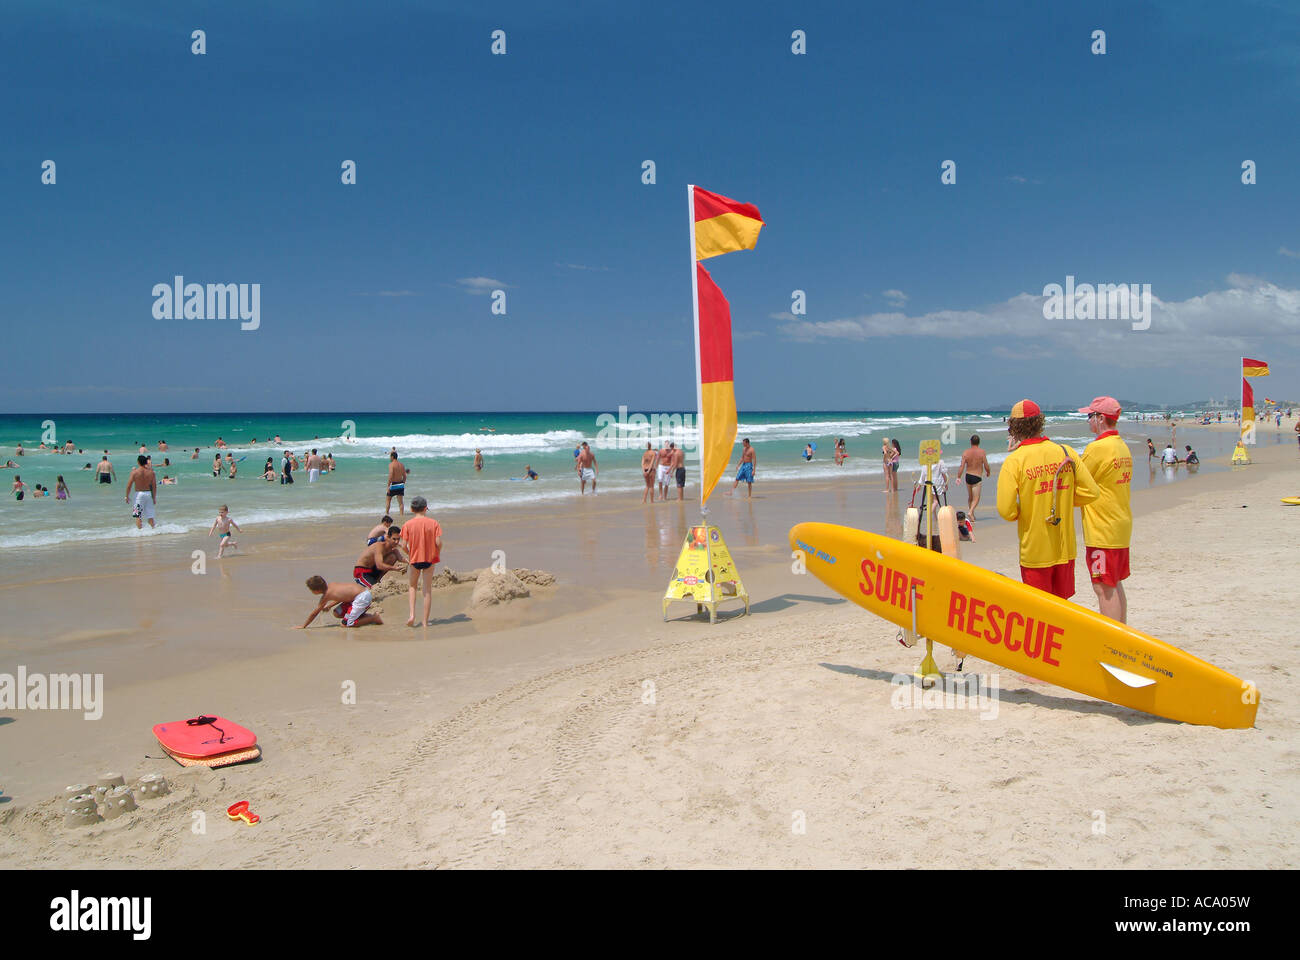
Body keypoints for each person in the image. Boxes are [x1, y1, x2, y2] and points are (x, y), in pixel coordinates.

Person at [996, 399, 1099, 600]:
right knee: (1062, 608)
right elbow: (1092, 492)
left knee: (1040, 613)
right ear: (1039, 423)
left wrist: (1029, 507)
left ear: (1013, 428)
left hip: (1035, 551)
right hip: (1065, 548)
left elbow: (1006, 511)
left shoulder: (1015, 461)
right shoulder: (1066, 452)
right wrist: (1064, 499)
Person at [1077, 397, 1133, 623]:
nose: (1088, 421)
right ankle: (1121, 634)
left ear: (1101, 419)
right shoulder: (1121, 445)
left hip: (1103, 527)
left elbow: (1078, 480)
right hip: (1119, 524)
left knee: (1103, 587)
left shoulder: (1097, 448)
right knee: (1114, 582)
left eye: (1090, 416)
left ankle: (1112, 643)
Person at [399, 496, 443, 627]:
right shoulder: (433, 523)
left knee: (412, 586)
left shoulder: (407, 525)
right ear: (425, 508)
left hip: (415, 559)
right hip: (429, 559)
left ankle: (412, 615)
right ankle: (424, 621)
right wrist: (436, 553)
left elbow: (403, 545)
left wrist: (410, 554)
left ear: (412, 509)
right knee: (427, 590)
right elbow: (438, 543)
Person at [296, 577, 382, 629]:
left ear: (316, 590)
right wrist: (329, 606)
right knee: (337, 613)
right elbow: (343, 596)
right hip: (359, 595)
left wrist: (304, 625)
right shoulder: (332, 585)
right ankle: (359, 617)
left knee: (347, 624)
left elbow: (315, 613)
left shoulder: (326, 596)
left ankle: (374, 618)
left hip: (362, 598)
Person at [955, 434, 991, 520]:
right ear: (979, 442)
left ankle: (972, 515)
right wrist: (988, 472)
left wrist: (958, 477)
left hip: (968, 476)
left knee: (970, 497)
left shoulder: (966, 452)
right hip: (977, 477)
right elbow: (986, 464)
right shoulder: (982, 452)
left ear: (970, 442)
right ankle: (971, 511)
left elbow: (962, 466)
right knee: (976, 498)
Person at [124, 454, 158, 530]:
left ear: (138, 462)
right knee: (150, 515)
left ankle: (140, 533)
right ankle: (154, 531)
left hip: (138, 495)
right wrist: (154, 497)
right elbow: (154, 486)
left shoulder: (134, 472)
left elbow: (129, 485)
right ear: (146, 462)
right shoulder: (151, 472)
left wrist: (127, 496)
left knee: (138, 515)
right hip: (148, 494)